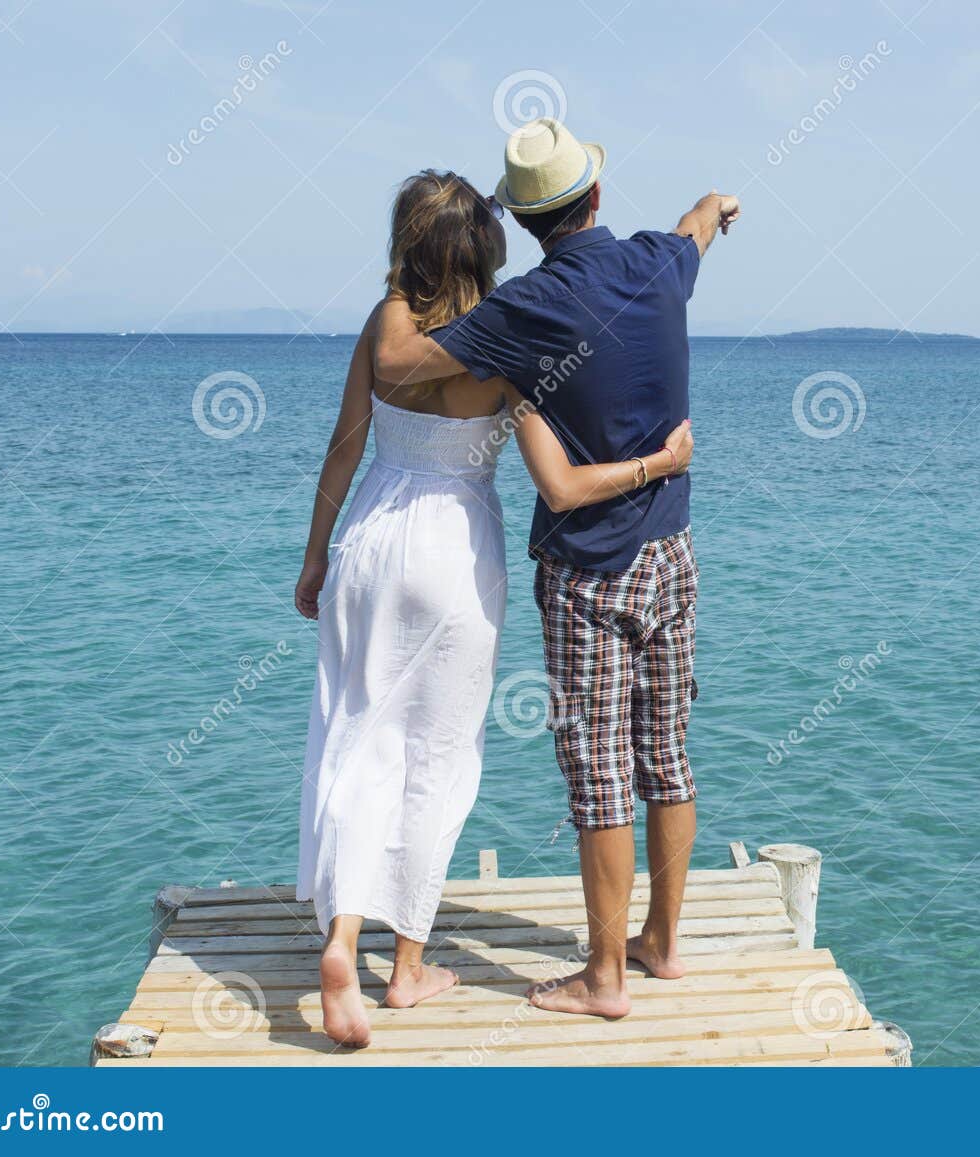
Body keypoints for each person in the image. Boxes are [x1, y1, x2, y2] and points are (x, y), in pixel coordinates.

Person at [293, 168, 693, 1047]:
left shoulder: (385, 326)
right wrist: (656, 468)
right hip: (455, 554)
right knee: (437, 751)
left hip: (371, 538)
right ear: (488, 247)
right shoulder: (509, 348)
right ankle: (407, 969)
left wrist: (316, 553)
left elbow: (341, 447)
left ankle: (341, 940)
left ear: (410, 243)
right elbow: (556, 480)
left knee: (357, 736)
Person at [374, 118, 740, 1018]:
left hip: (590, 570)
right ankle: (660, 942)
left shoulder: (522, 310)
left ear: (528, 225)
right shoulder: (659, 261)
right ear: (599, 195)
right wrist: (718, 204)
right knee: (667, 754)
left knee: (599, 770)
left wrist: (406, 286)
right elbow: (697, 221)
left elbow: (393, 365)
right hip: (673, 550)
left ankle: (605, 977)